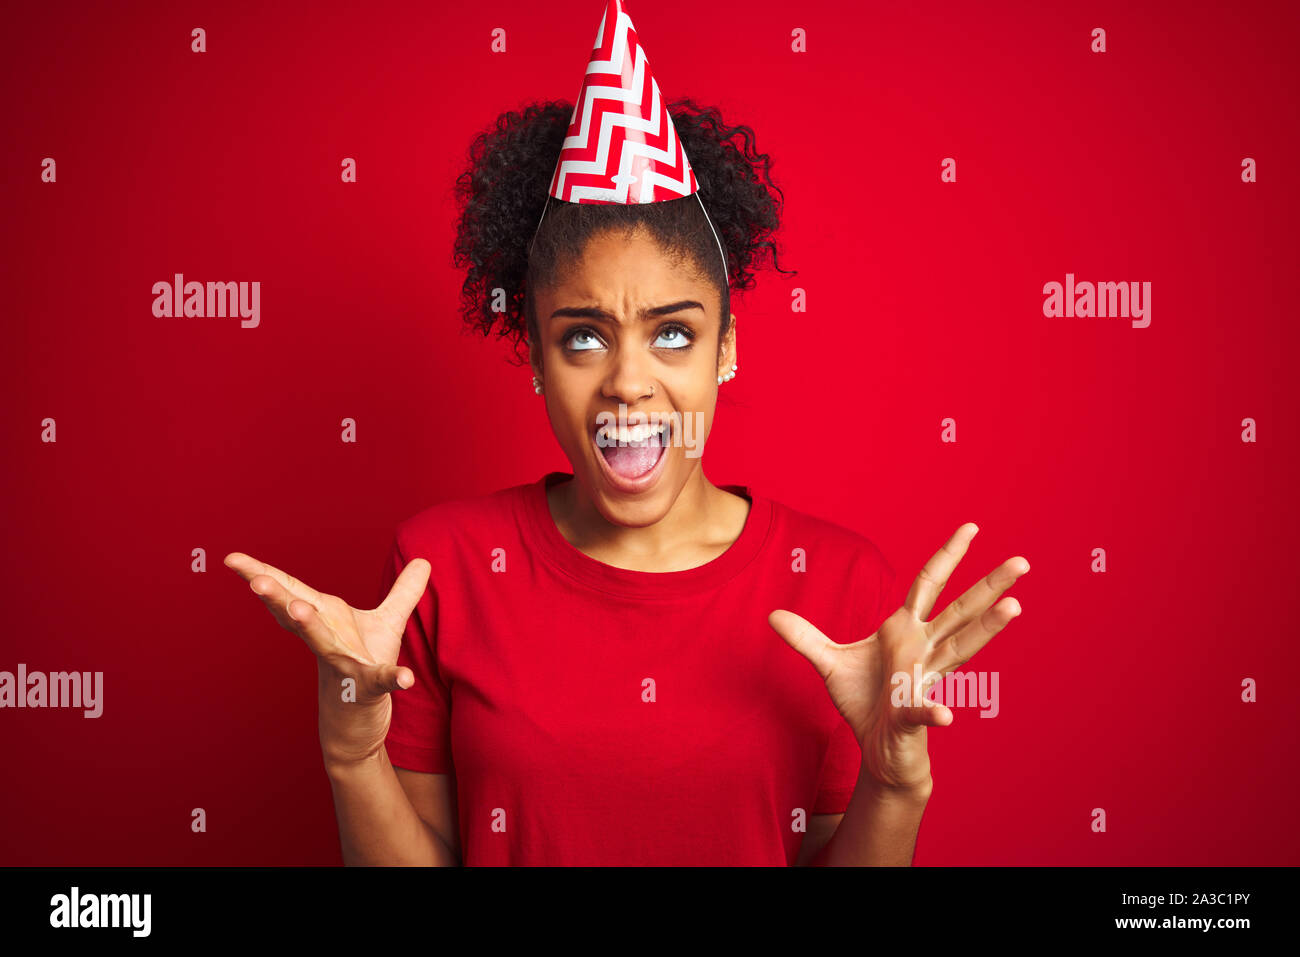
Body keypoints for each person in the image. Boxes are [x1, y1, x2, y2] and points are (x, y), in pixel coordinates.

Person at [223, 0, 1028, 866]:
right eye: (583, 336)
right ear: (534, 357)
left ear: (727, 349)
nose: (630, 381)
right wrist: (351, 752)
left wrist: (895, 782)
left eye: (674, 332)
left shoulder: (837, 582)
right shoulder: (440, 571)